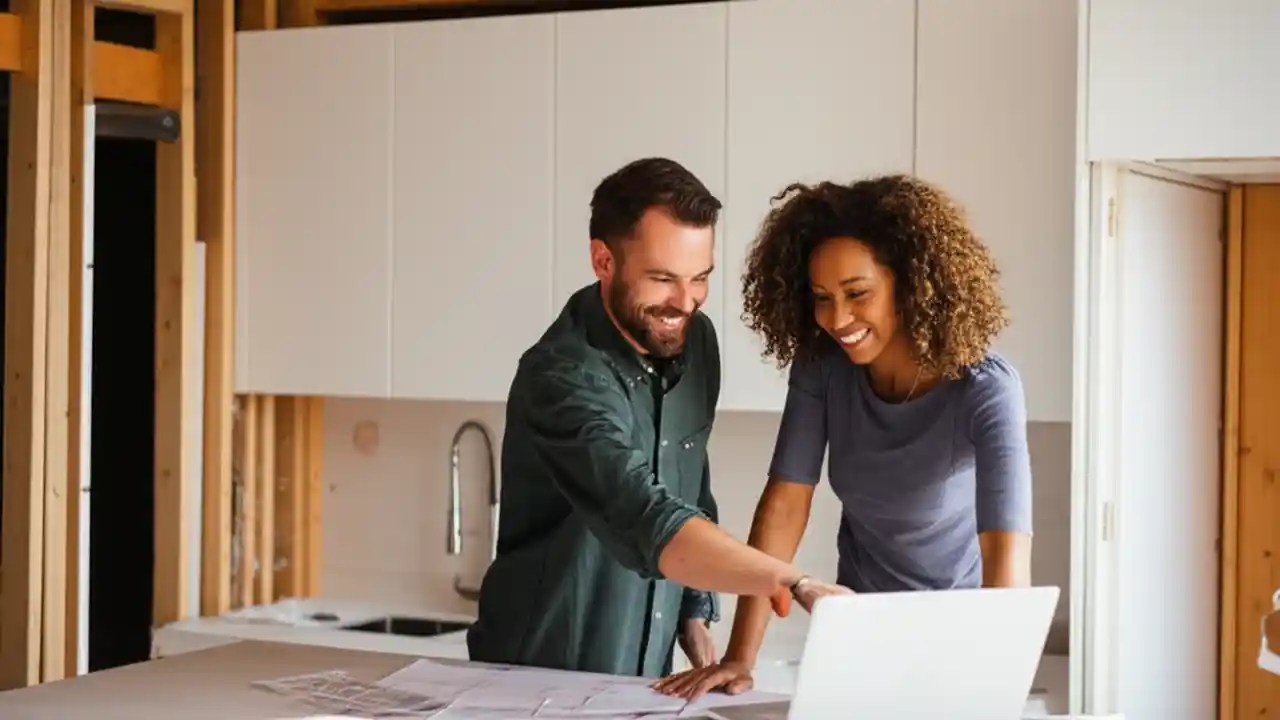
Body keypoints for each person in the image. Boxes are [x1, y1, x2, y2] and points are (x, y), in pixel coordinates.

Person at [466, 158, 850, 679]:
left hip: (643, 674)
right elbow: (646, 516)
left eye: (700, 278)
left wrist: (692, 606)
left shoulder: (698, 343)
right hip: (537, 676)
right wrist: (790, 580)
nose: (685, 301)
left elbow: (688, 479)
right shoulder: (561, 377)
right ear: (604, 261)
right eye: (663, 279)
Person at [654, 174, 1034, 699]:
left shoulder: (986, 390)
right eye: (821, 297)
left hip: (956, 644)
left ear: (909, 283)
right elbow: (785, 506)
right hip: (856, 637)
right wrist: (743, 657)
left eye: (857, 294)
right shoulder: (824, 369)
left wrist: (996, 685)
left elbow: (1005, 561)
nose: (837, 318)